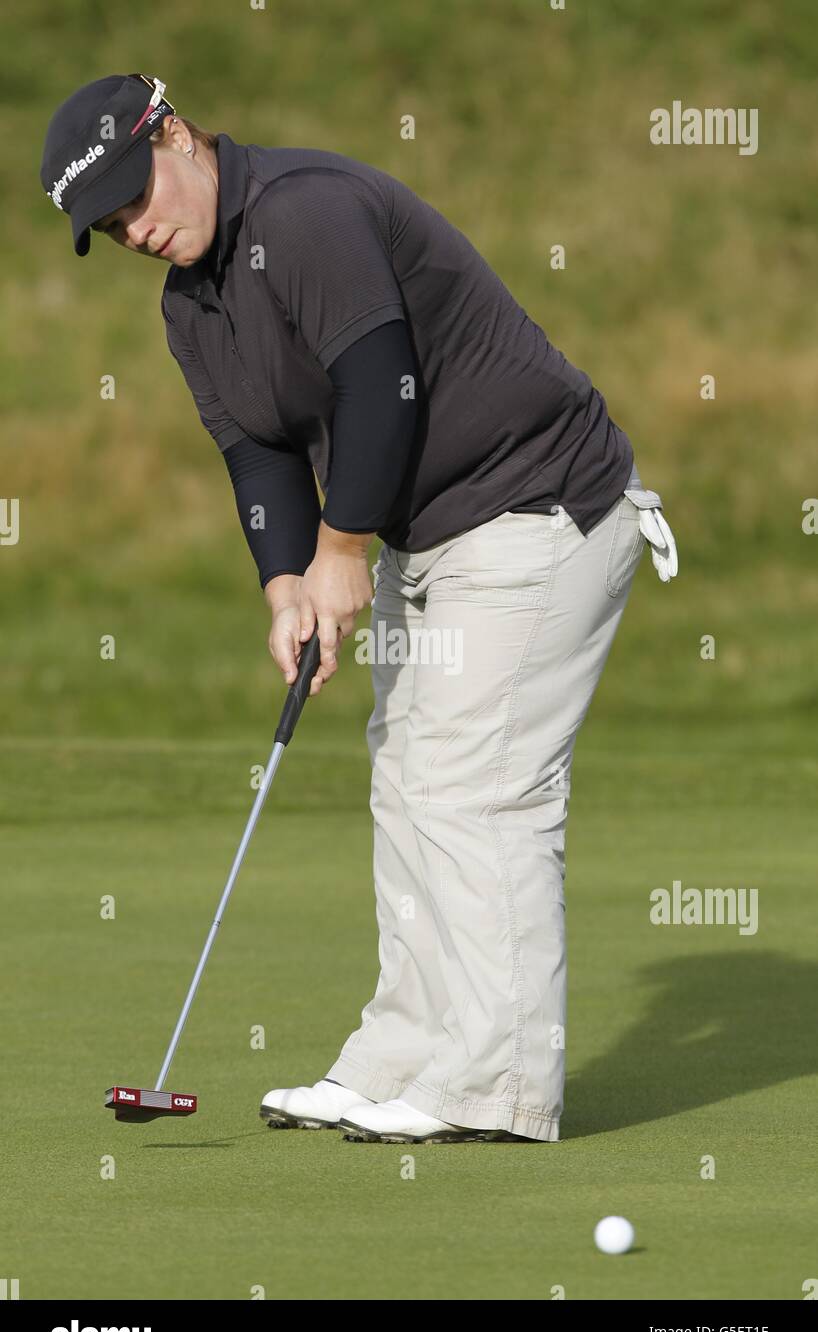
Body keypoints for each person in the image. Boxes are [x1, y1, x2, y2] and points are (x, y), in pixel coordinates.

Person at [41, 73, 677, 1145]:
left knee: (470, 783)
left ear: (179, 135)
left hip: (537, 500)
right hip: (434, 530)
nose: (133, 228)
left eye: (134, 195)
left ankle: (496, 1086)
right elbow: (256, 448)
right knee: (405, 777)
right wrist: (287, 579)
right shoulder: (191, 309)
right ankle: (403, 1055)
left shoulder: (303, 214)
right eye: (109, 223)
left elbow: (384, 385)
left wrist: (343, 549)